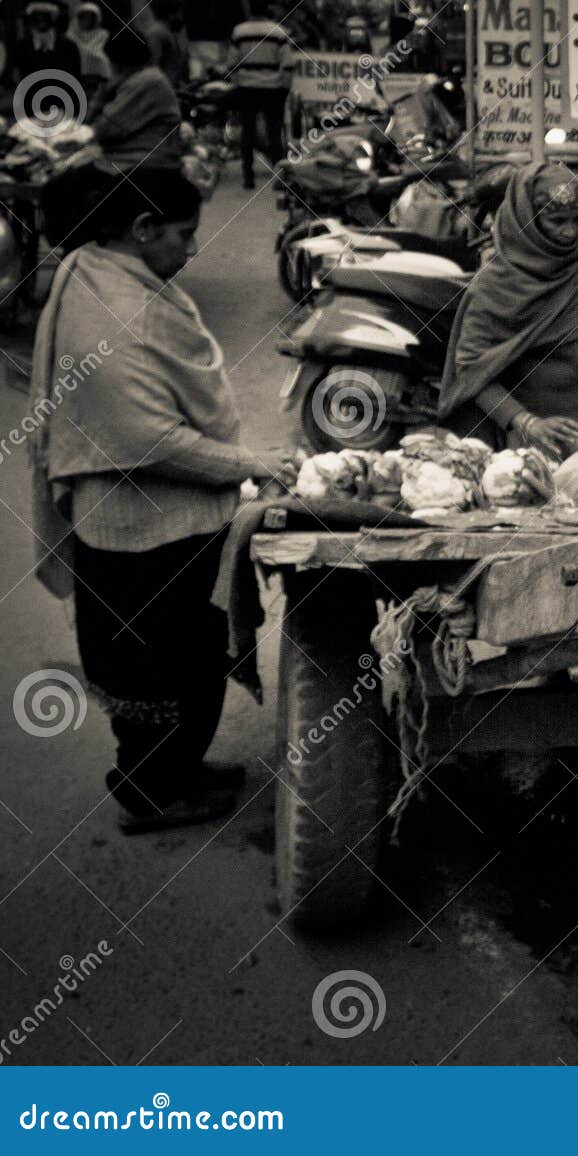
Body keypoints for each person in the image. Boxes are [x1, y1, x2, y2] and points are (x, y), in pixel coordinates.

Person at [29, 167, 296, 833]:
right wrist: (252, 464)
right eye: (184, 234)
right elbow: (147, 439)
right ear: (143, 230)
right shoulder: (115, 311)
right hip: (145, 533)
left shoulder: (91, 268)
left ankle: (172, 772)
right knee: (166, 672)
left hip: (144, 525)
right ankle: (150, 795)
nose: (192, 250)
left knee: (173, 665)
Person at [438, 163, 578, 459]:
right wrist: (526, 422)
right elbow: (471, 370)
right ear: (527, 219)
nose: (570, 231)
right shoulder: (495, 286)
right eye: (557, 221)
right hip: (530, 441)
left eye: (577, 219)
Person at [89, 26, 184, 170]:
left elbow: (104, 129)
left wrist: (104, 93)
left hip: (144, 162)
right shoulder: (139, 79)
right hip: (132, 158)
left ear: (119, 61)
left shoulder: (146, 81)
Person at [229, 3, 295, 188]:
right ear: (268, 10)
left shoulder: (239, 32)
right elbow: (288, 64)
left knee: (247, 132)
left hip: (247, 88)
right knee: (275, 133)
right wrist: (284, 87)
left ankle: (248, 177)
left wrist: (238, 82)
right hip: (273, 89)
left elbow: (232, 63)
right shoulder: (279, 32)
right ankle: (278, 176)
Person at [9, 2, 84, 113]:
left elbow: (76, 77)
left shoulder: (69, 46)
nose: (41, 22)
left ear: (53, 19)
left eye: (45, 17)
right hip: (31, 106)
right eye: (37, 18)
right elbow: (18, 76)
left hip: (63, 105)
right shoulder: (22, 46)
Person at [66, 2, 110, 99]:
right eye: (83, 17)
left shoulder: (102, 34)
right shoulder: (71, 34)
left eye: (89, 18)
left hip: (97, 69)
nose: (86, 21)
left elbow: (99, 50)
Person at [145, 0, 191, 90]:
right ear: (171, 15)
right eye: (179, 13)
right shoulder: (157, 33)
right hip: (162, 89)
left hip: (171, 88)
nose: (182, 17)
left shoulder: (170, 32)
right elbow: (153, 66)